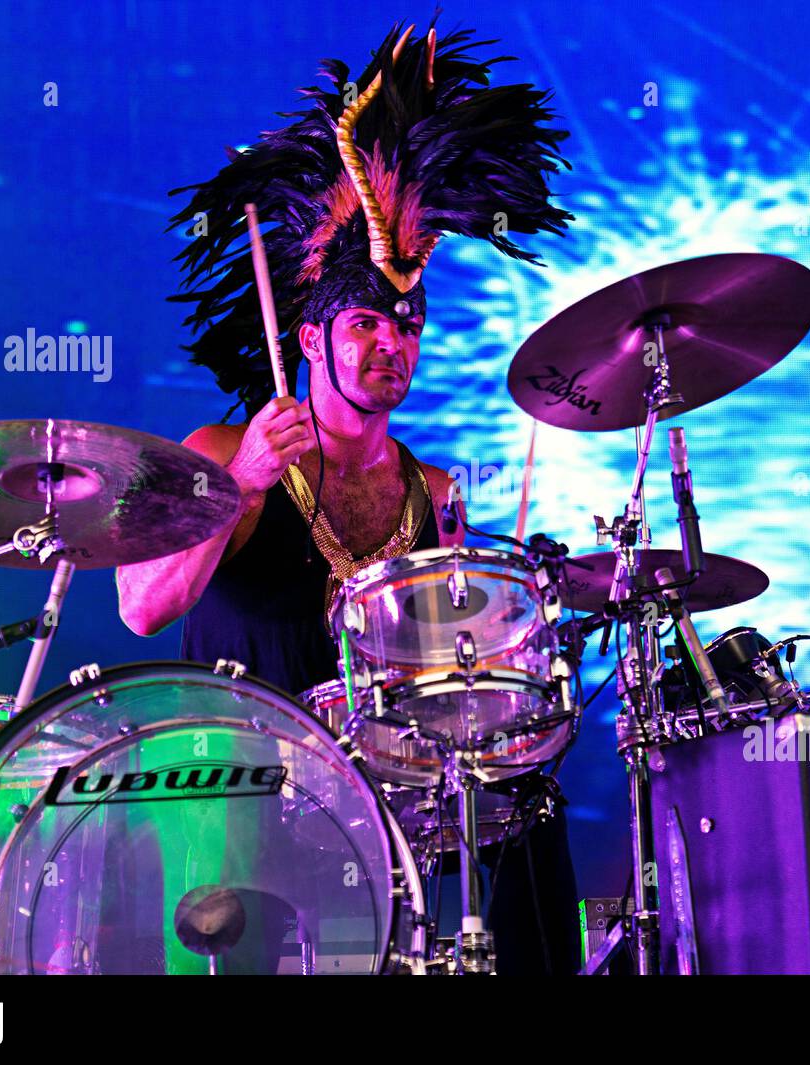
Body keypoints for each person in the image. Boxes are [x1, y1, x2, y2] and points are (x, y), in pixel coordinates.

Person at [116, 21, 580, 974]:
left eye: (406, 326)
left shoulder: (432, 493)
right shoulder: (224, 449)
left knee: (531, 804)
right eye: (366, 322)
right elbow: (140, 609)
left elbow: (446, 673)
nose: (390, 347)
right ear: (315, 335)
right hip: (233, 788)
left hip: (371, 804)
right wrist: (239, 485)